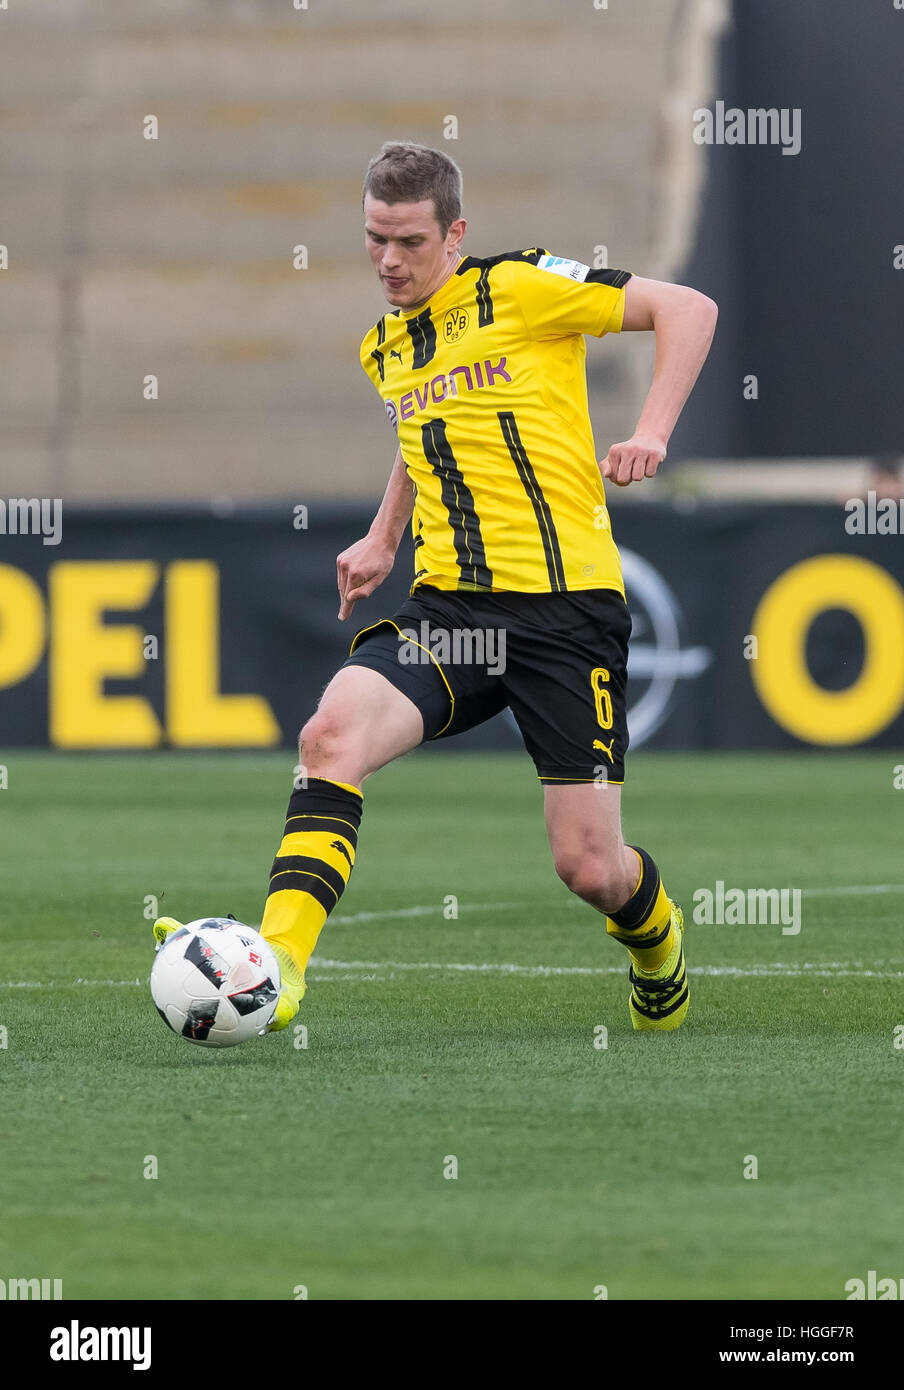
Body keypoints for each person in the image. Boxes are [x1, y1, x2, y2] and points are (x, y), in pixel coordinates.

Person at [155, 140, 717, 1033]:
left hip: (565, 611)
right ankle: (276, 968)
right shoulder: (386, 346)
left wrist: (650, 431)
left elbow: (689, 307)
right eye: (374, 239)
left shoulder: (521, 287)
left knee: (590, 868)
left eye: (409, 241)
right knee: (330, 735)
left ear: (454, 235)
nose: (387, 260)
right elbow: (427, 434)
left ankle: (656, 942)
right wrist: (383, 537)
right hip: (452, 608)